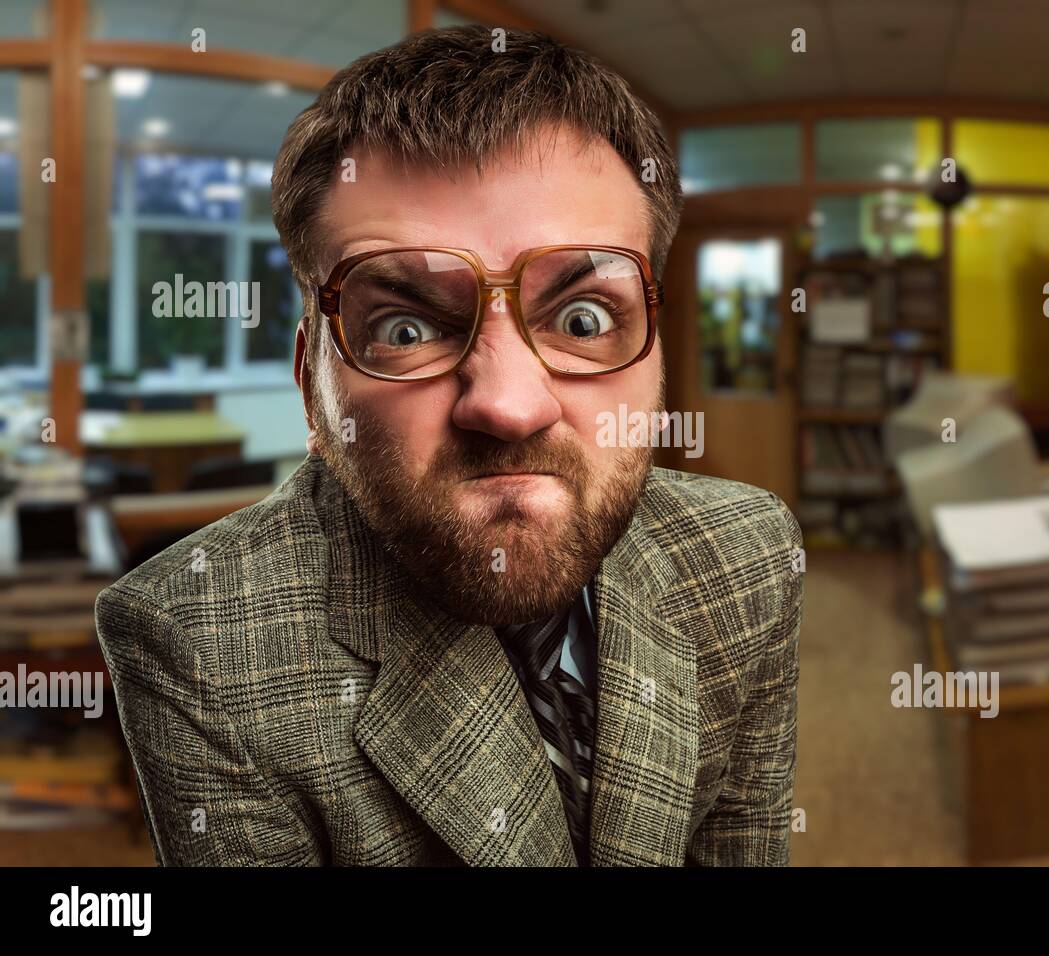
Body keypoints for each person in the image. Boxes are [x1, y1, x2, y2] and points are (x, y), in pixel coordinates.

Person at [95, 25, 802, 867]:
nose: (506, 405)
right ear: (311, 390)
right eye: (403, 325)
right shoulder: (198, 640)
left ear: (655, 352)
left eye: (583, 318)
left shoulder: (751, 558)